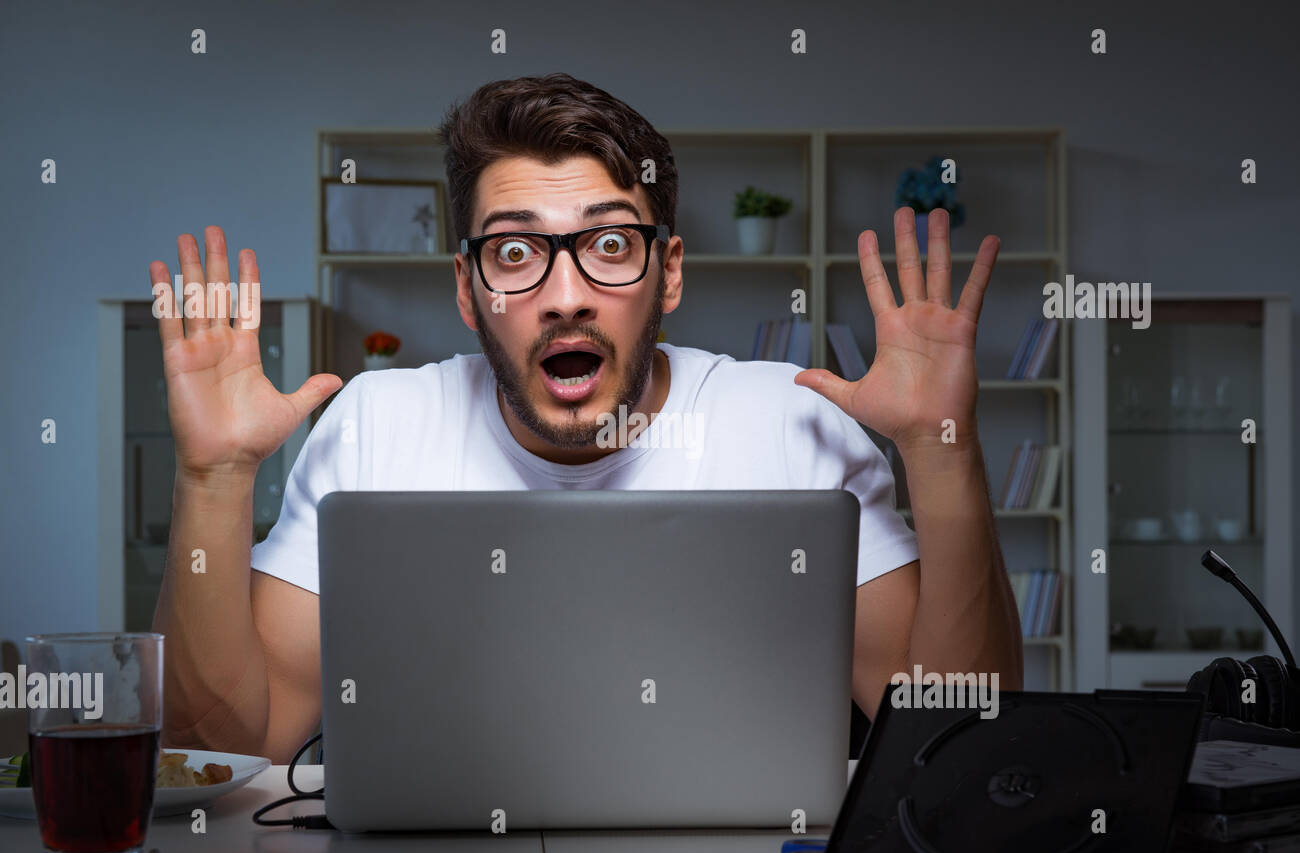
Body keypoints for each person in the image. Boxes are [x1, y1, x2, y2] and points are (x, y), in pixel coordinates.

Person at [150, 73, 1022, 764]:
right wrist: (212, 477)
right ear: (468, 290)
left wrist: (941, 451)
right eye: (516, 251)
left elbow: (958, 750)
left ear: (669, 272)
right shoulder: (377, 427)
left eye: (610, 245)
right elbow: (221, 752)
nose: (566, 298)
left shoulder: (789, 421)